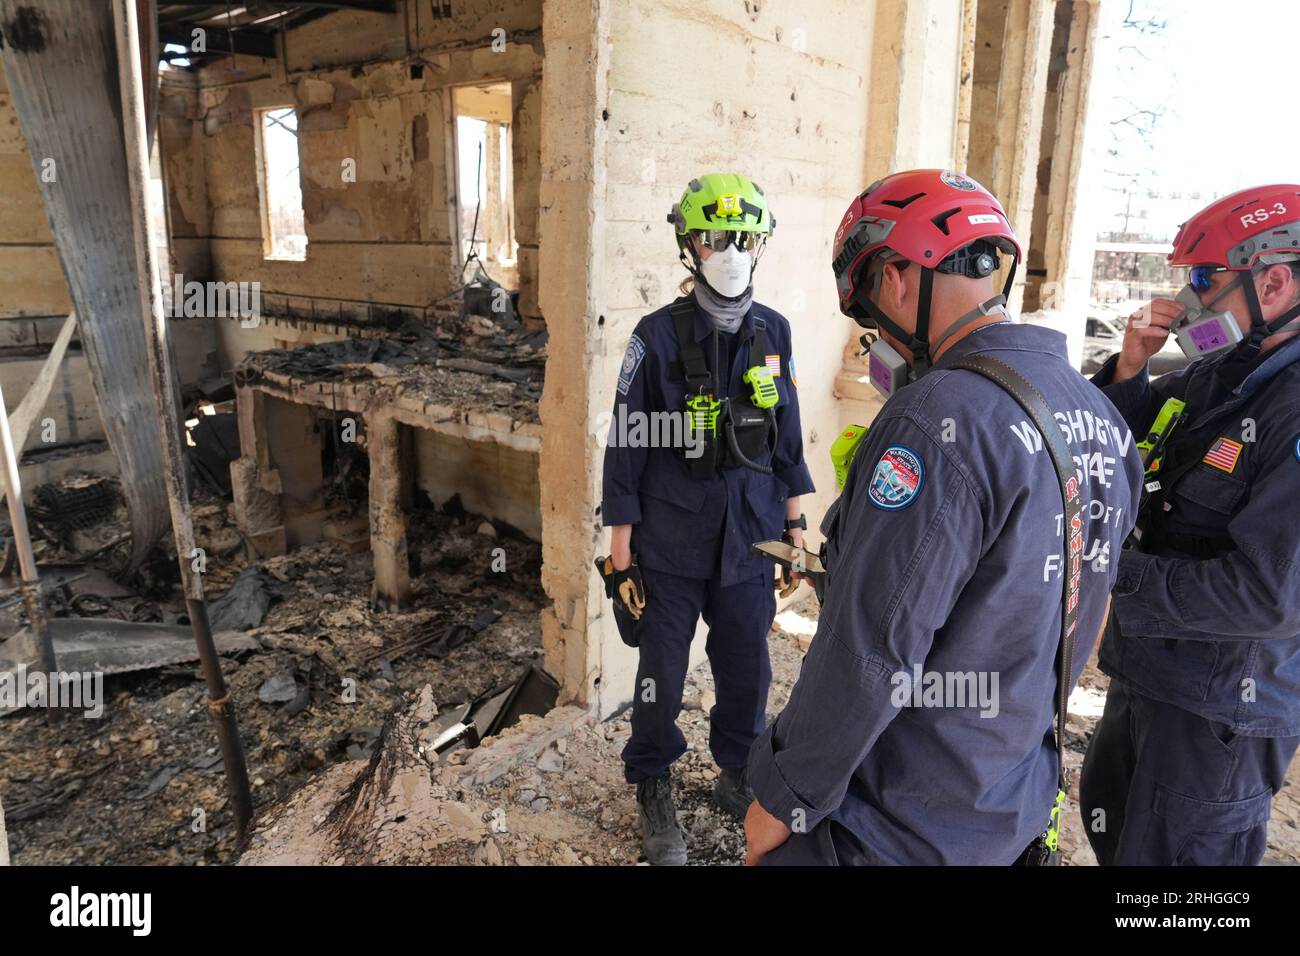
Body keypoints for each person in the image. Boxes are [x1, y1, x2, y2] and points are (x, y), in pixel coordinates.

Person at [743, 168, 1142, 865]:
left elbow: (871, 647)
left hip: (896, 820)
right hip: (1008, 804)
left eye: (868, 310)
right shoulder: (1098, 414)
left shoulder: (936, 418)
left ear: (898, 274)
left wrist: (784, 795)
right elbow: (1084, 609)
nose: (875, 337)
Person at [1079, 185, 1300, 865]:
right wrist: (1129, 366)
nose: (1187, 301)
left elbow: (1270, 596)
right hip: (1151, 672)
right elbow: (1114, 435)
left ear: (1276, 280)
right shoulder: (1218, 375)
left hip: (1222, 713)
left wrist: (1110, 568)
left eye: (1204, 280)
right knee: (1116, 838)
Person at [597, 172, 814, 866]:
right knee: (660, 669)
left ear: (760, 244)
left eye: (741, 238)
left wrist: (796, 524)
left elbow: (786, 431)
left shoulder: (772, 331)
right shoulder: (654, 336)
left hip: (751, 539)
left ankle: (734, 771)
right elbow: (626, 440)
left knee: (747, 664)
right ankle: (653, 779)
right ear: (688, 245)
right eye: (712, 237)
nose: (728, 251)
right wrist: (620, 551)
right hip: (669, 539)